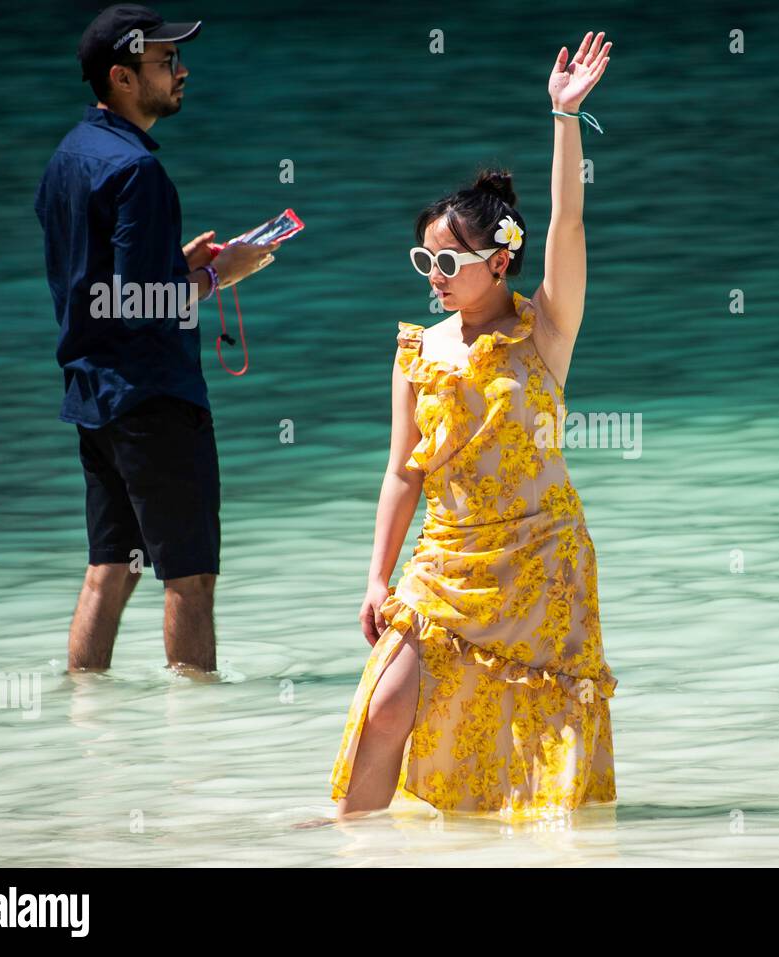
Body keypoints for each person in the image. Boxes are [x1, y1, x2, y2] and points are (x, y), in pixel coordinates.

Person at [329, 32, 617, 820]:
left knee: (540, 731)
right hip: (447, 559)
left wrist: (563, 119)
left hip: (539, 560)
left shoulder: (544, 334)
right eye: (425, 264)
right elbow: (402, 473)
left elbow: (568, 227)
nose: (435, 279)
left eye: (448, 264)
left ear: (500, 259)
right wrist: (376, 574)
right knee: (388, 704)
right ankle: (347, 841)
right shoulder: (417, 352)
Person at [35, 5, 279, 675]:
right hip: (153, 396)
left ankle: (85, 727)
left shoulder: (67, 159)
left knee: (109, 570)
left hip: (93, 394)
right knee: (190, 578)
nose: (181, 71)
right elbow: (137, 302)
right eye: (166, 62)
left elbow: (97, 285)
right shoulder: (138, 172)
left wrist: (172, 260)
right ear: (120, 77)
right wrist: (214, 275)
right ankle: (192, 752)